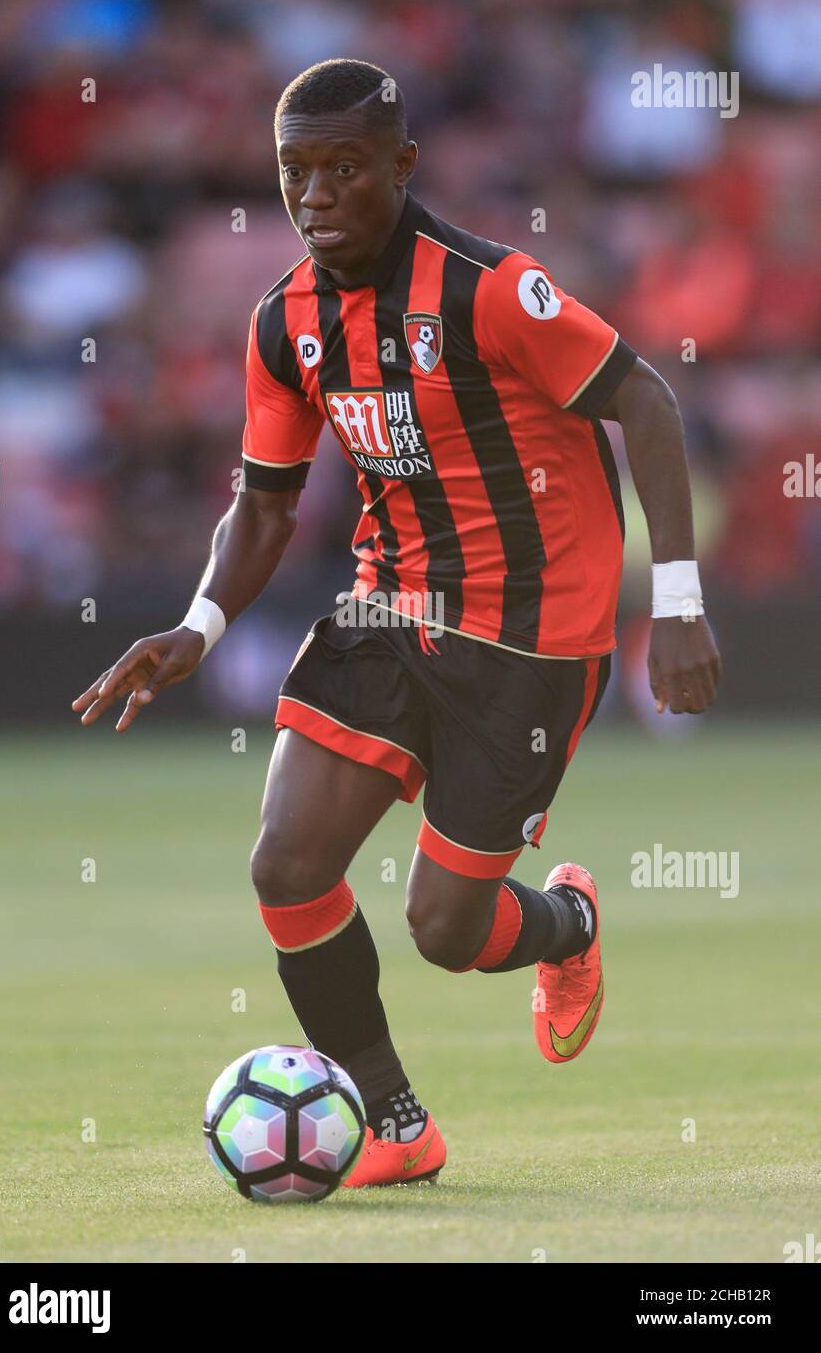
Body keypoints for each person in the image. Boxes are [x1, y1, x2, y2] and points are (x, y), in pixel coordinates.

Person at [73, 58, 721, 1188]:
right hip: (386, 606)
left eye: (342, 169)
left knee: (444, 929)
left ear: (401, 167)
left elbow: (646, 400)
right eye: (292, 173)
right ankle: (392, 1120)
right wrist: (200, 625)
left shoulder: (487, 288)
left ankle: (564, 924)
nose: (314, 195)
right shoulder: (285, 322)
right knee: (286, 863)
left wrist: (673, 600)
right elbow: (266, 502)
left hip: (532, 636)